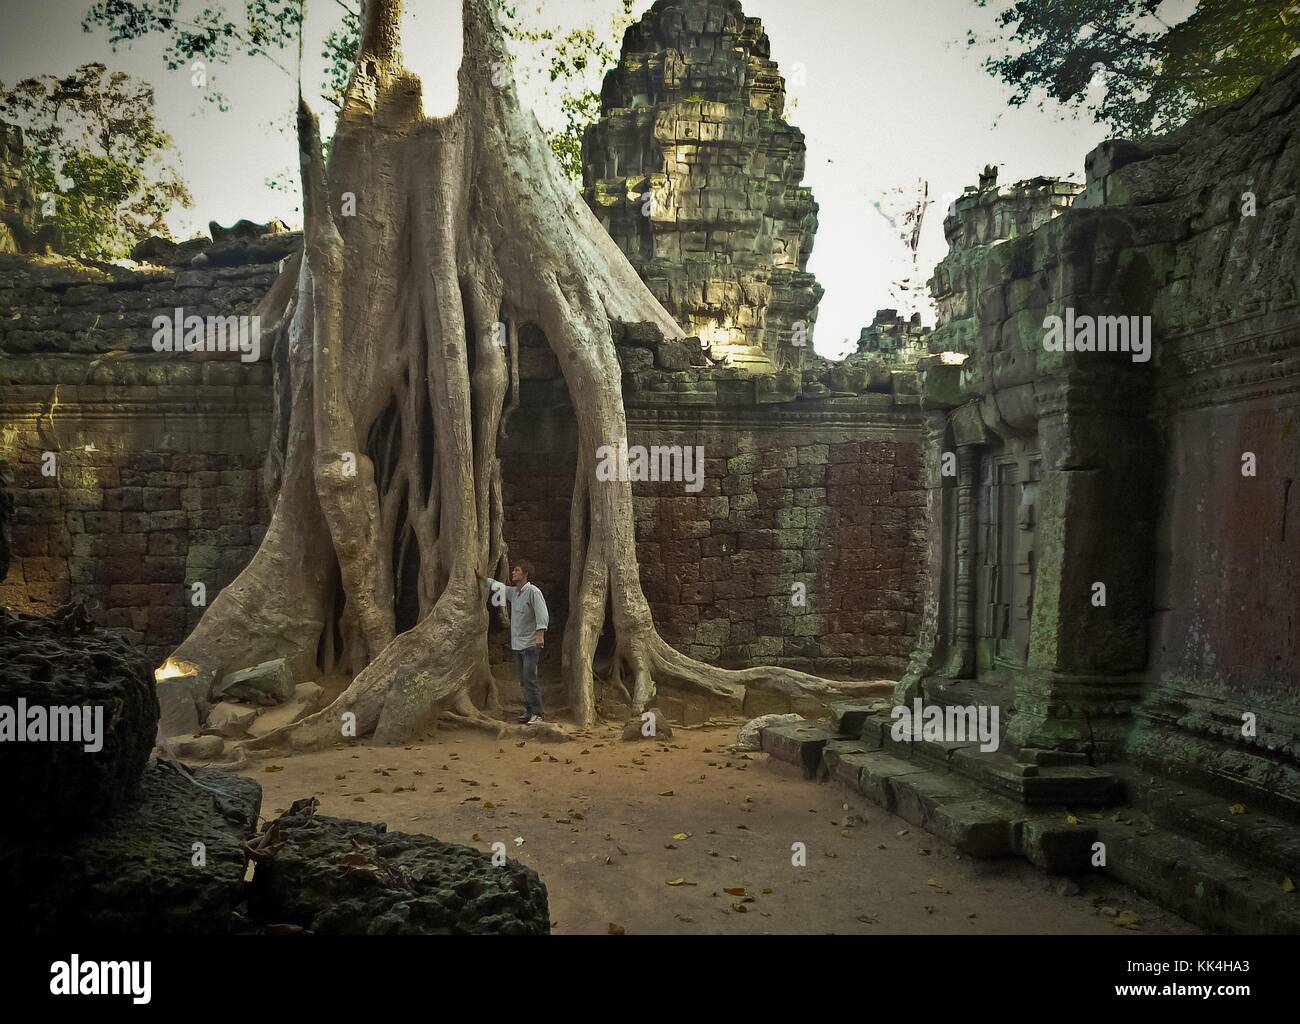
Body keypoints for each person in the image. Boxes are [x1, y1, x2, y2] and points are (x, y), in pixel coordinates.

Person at [479, 559, 549, 724]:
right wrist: (482, 578)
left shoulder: (533, 591)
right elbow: (499, 588)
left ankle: (538, 714)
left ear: (525, 574)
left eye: (517, 570)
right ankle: (529, 711)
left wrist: (540, 635)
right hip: (518, 645)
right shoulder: (514, 592)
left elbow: (542, 614)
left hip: (531, 645)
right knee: (524, 681)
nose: (513, 572)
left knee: (530, 679)